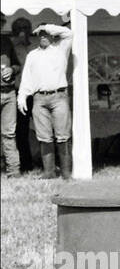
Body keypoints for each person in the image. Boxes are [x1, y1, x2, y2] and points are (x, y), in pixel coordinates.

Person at [17, 23, 72, 180]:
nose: (43, 36)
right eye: (40, 34)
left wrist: (46, 26)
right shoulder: (32, 55)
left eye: (46, 33)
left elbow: (69, 33)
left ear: (52, 35)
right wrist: (22, 96)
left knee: (63, 136)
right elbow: (26, 78)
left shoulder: (61, 49)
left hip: (59, 97)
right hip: (39, 99)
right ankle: (49, 172)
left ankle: (66, 173)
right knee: (44, 137)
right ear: (36, 36)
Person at [8, 17, 36, 171]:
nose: (22, 31)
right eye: (19, 28)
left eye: (25, 28)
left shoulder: (34, 47)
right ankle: (25, 164)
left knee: (42, 127)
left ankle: (48, 163)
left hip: (34, 91)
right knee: (21, 130)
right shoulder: (11, 47)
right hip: (18, 91)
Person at [1, 36, 20, 176]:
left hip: (9, 93)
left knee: (9, 133)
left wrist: (12, 70)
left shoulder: (6, 41)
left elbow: (17, 65)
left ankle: (13, 171)